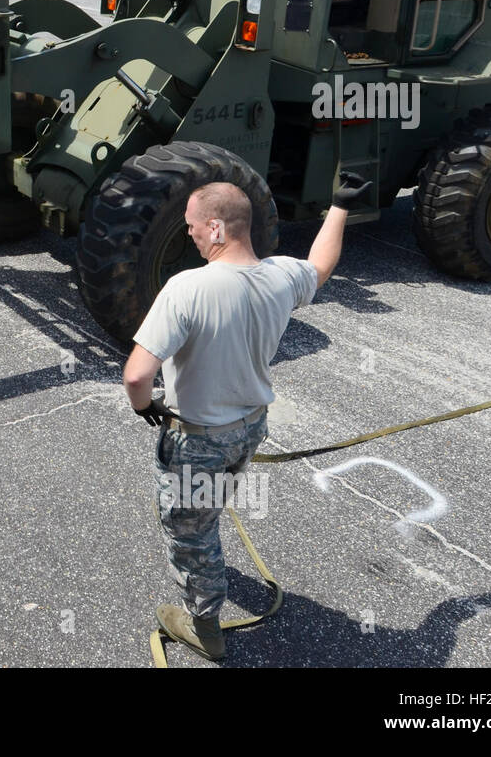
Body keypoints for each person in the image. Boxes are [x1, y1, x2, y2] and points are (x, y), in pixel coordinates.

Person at [123, 171, 372, 661]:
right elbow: (321, 264)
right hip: (249, 429)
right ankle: (207, 535)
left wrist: (145, 405)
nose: (188, 232)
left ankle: (204, 626)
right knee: (209, 505)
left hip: (198, 439)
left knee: (188, 532)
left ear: (216, 229)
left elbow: (136, 376)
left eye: (193, 225)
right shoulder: (281, 275)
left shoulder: (185, 288)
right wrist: (340, 204)